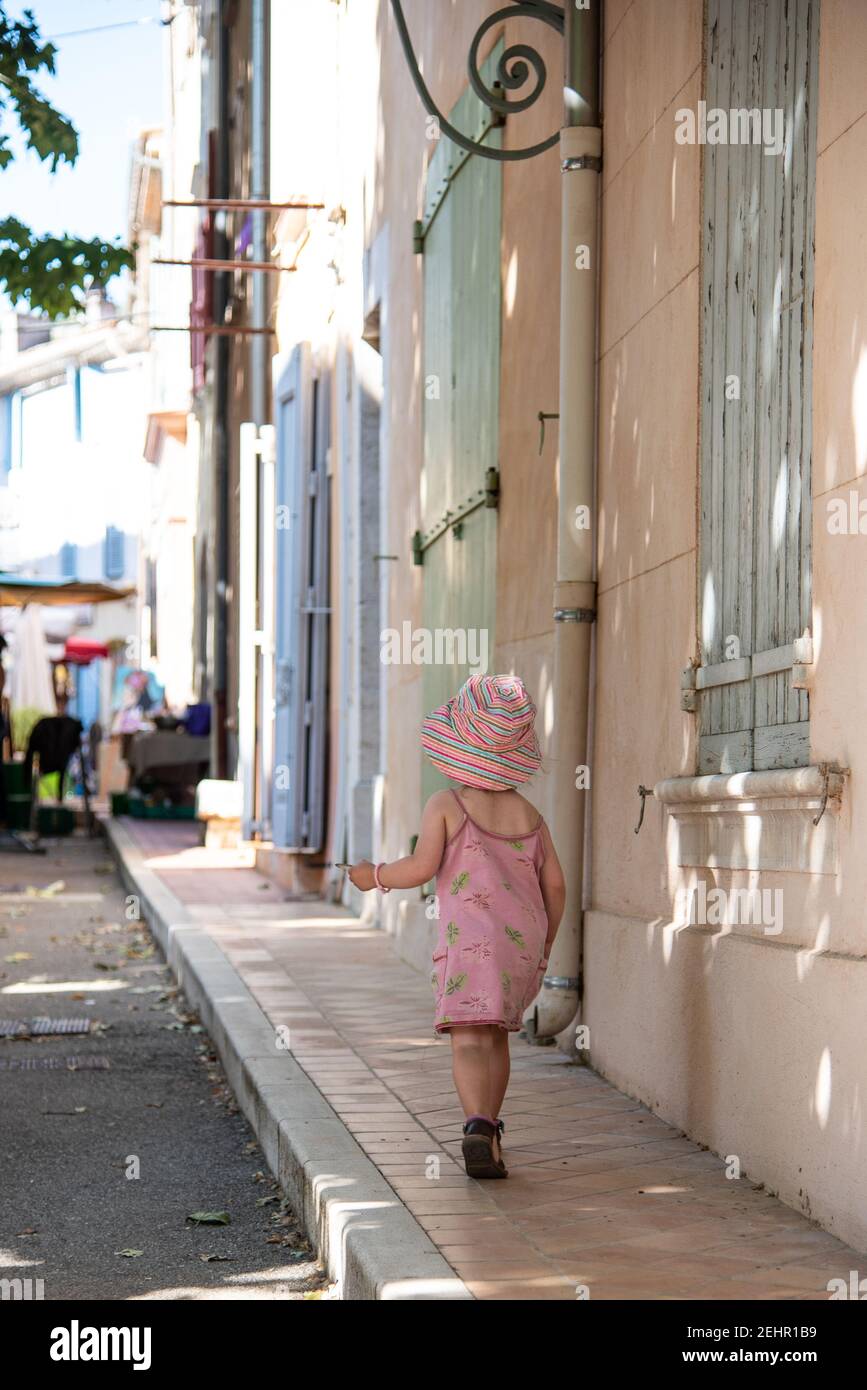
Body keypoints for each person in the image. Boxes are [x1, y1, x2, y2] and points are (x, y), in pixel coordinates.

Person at [348, 673, 566, 1180]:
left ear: (459, 743)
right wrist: (546, 938)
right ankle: (491, 1129)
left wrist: (373, 875)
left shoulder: (446, 805)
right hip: (520, 944)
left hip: (468, 944)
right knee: (496, 1036)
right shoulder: (530, 815)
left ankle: (474, 1125)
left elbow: (421, 867)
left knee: (467, 1038)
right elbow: (555, 886)